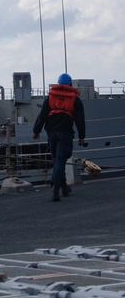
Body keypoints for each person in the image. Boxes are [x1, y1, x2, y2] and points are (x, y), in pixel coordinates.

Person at [32, 73, 86, 202]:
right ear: (70, 84)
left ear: (58, 84)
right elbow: (80, 120)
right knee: (61, 160)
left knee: (57, 160)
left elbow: (43, 115)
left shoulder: (50, 97)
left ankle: (64, 186)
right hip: (65, 132)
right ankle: (55, 187)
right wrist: (81, 136)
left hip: (51, 132)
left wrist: (36, 131)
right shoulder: (75, 99)